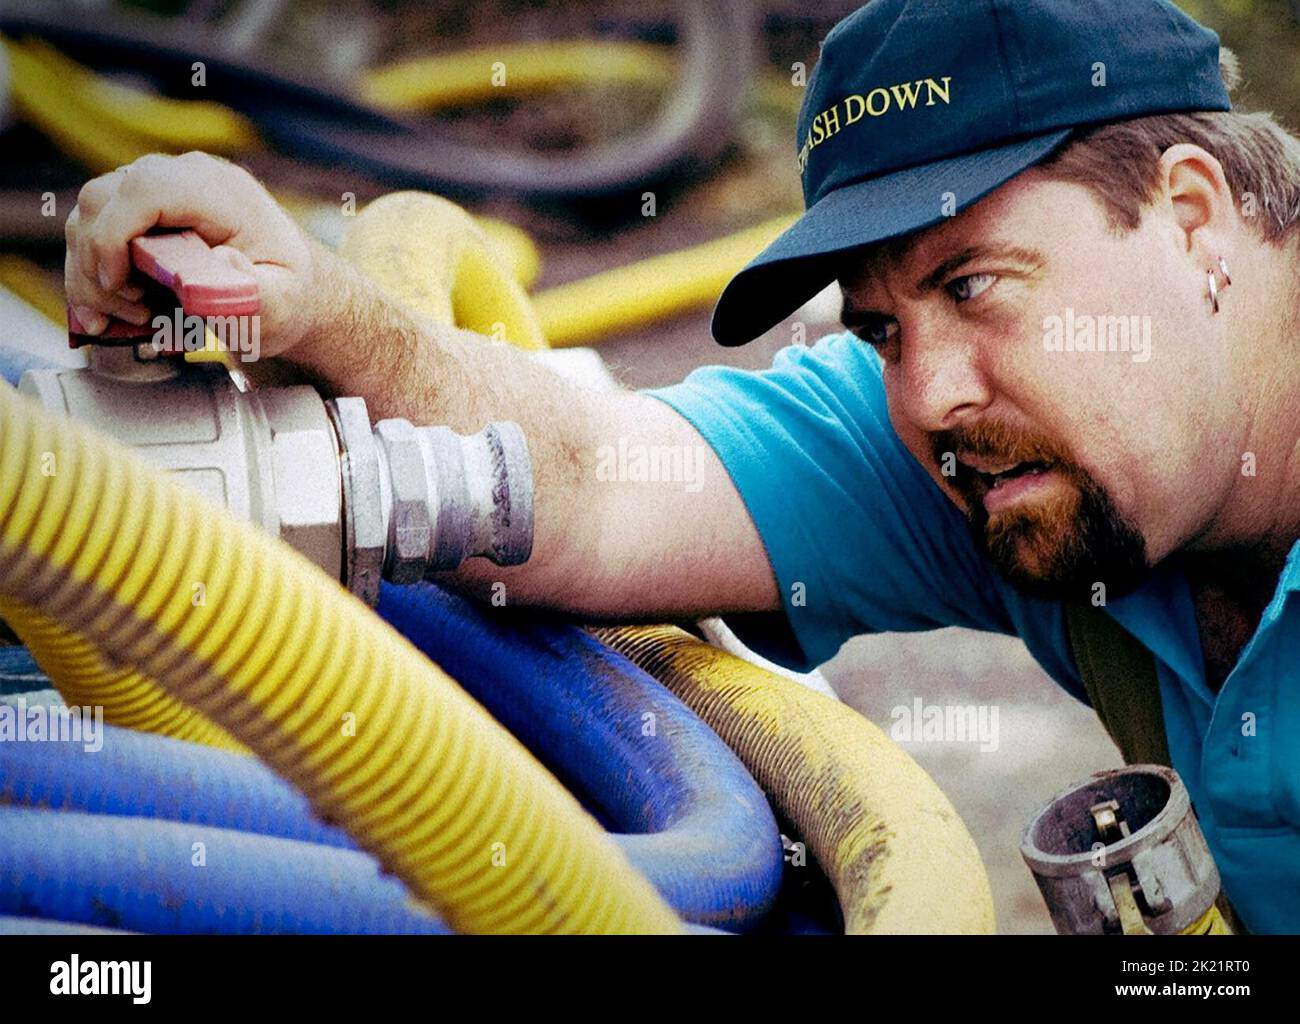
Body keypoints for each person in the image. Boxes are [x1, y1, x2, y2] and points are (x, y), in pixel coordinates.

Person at [61, 0, 1300, 932]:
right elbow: (599, 483)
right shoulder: (1046, 449)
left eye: (972, 287)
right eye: (880, 332)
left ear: (1191, 217)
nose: (926, 397)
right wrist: (319, 304)